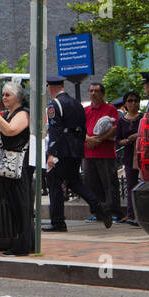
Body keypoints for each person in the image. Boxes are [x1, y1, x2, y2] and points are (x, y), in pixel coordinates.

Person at [44, 78, 98, 232]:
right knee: (74, 181)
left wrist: (51, 154)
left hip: (62, 150)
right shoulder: (76, 103)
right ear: (62, 86)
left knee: (54, 183)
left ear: (50, 87)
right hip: (76, 149)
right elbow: (83, 128)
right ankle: (97, 206)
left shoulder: (54, 104)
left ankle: (58, 222)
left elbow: (55, 130)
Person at [0, 83, 32, 256]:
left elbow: (10, 130)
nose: (4, 98)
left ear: (18, 97)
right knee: (13, 205)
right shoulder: (7, 114)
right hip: (6, 165)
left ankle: (24, 243)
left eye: (8, 95)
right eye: (3, 95)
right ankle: (23, 240)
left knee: (21, 204)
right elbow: (0, 141)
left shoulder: (23, 113)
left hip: (19, 165)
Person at [82, 81, 120, 228]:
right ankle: (98, 212)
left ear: (102, 94)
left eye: (96, 91)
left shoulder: (110, 109)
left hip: (105, 153)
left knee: (109, 184)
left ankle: (113, 212)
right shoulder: (85, 110)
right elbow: (79, 128)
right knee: (92, 184)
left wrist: (99, 139)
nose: (93, 93)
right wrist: (88, 139)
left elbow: (115, 127)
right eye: (91, 91)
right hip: (88, 152)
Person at [117, 91, 143, 225]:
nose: (133, 103)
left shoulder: (143, 118)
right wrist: (128, 140)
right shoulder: (122, 120)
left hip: (142, 154)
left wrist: (137, 136)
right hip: (128, 156)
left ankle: (143, 214)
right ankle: (130, 214)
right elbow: (118, 140)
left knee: (144, 184)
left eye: (136, 100)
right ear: (125, 104)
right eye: (130, 101)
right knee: (130, 184)